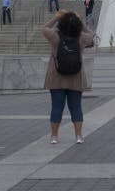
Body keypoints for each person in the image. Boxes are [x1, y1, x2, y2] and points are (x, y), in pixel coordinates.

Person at [42, 10, 94, 144]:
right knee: (76, 106)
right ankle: (78, 136)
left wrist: (56, 17)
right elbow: (91, 34)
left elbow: (45, 29)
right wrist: (79, 20)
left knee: (56, 107)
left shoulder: (55, 36)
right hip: (76, 78)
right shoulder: (81, 38)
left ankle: (54, 136)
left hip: (56, 77)